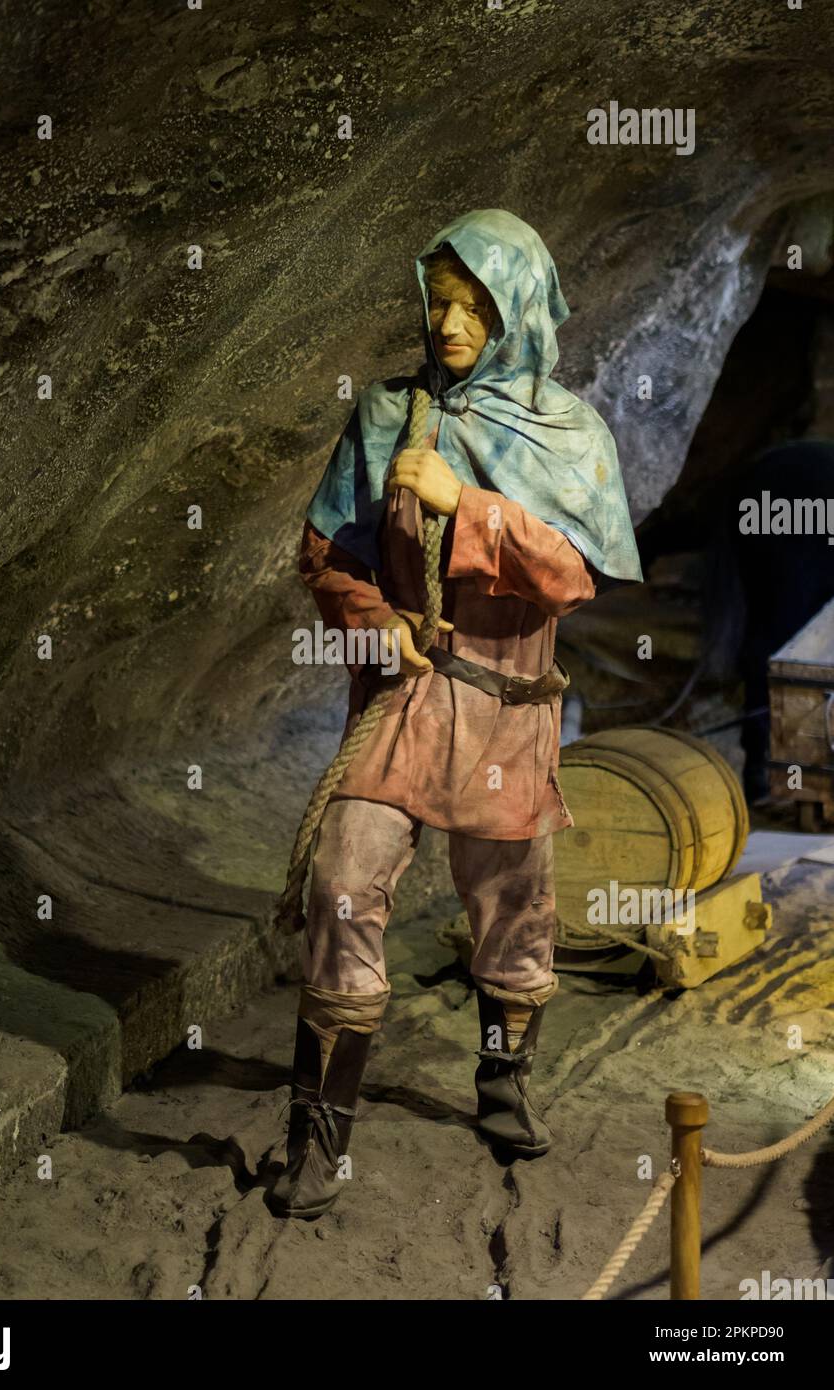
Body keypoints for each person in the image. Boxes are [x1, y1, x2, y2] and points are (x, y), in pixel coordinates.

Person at [268, 209, 642, 1220]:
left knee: (512, 910)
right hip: (407, 697)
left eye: (474, 306)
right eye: (439, 301)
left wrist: (465, 505)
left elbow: (571, 575)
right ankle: (318, 1129)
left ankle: (502, 1082)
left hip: (506, 710)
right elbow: (327, 554)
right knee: (342, 881)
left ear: (518, 312)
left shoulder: (569, 435)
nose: (449, 324)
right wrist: (372, 614)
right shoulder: (390, 413)